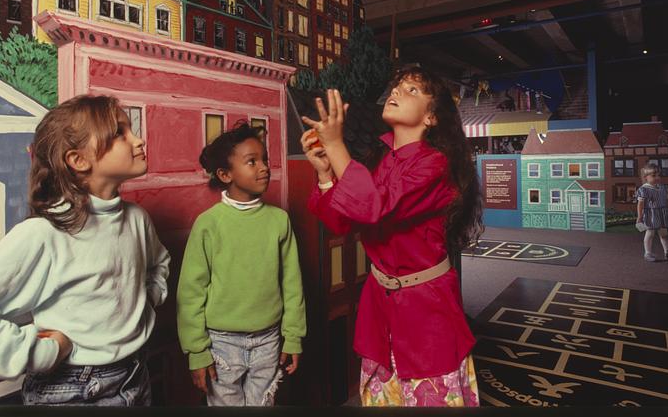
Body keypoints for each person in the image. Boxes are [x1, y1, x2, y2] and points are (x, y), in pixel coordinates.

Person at [0, 95, 171, 406]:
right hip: (72, 390)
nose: (138, 140)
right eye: (120, 133)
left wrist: (146, 301)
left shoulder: (137, 219)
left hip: (136, 374)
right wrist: (42, 352)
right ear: (79, 160)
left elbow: (159, 264)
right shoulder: (43, 233)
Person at [301, 66, 483, 407]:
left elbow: (372, 206)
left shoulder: (435, 165)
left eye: (413, 90)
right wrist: (326, 174)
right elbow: (343, 222)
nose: (397, 92)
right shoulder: (381, 162)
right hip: (380, 307)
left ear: (431, 117)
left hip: (425, 311)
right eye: (397, 86)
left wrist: (337, 145)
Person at [177, 121, 306, 406]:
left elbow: (292, 283)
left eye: (264, 160)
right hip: (221, 343)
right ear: (225, 174)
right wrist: (197, 351)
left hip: (269, 339)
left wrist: (293, 337)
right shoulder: (208, 224)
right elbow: (190, 293)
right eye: (251, 162)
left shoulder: (279, 220)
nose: (263, 167)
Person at [636, 162, 668, 262]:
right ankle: (647, 253)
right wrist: (639, 217)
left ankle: (667, 253)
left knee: (663, 234)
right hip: (651, 214)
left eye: (659, 175)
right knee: (650, 233)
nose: (657, 177)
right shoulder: (644, 189)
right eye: (654, 175)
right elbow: (640, 204)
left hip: (663, 213)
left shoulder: (663, 187)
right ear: (646, 177)